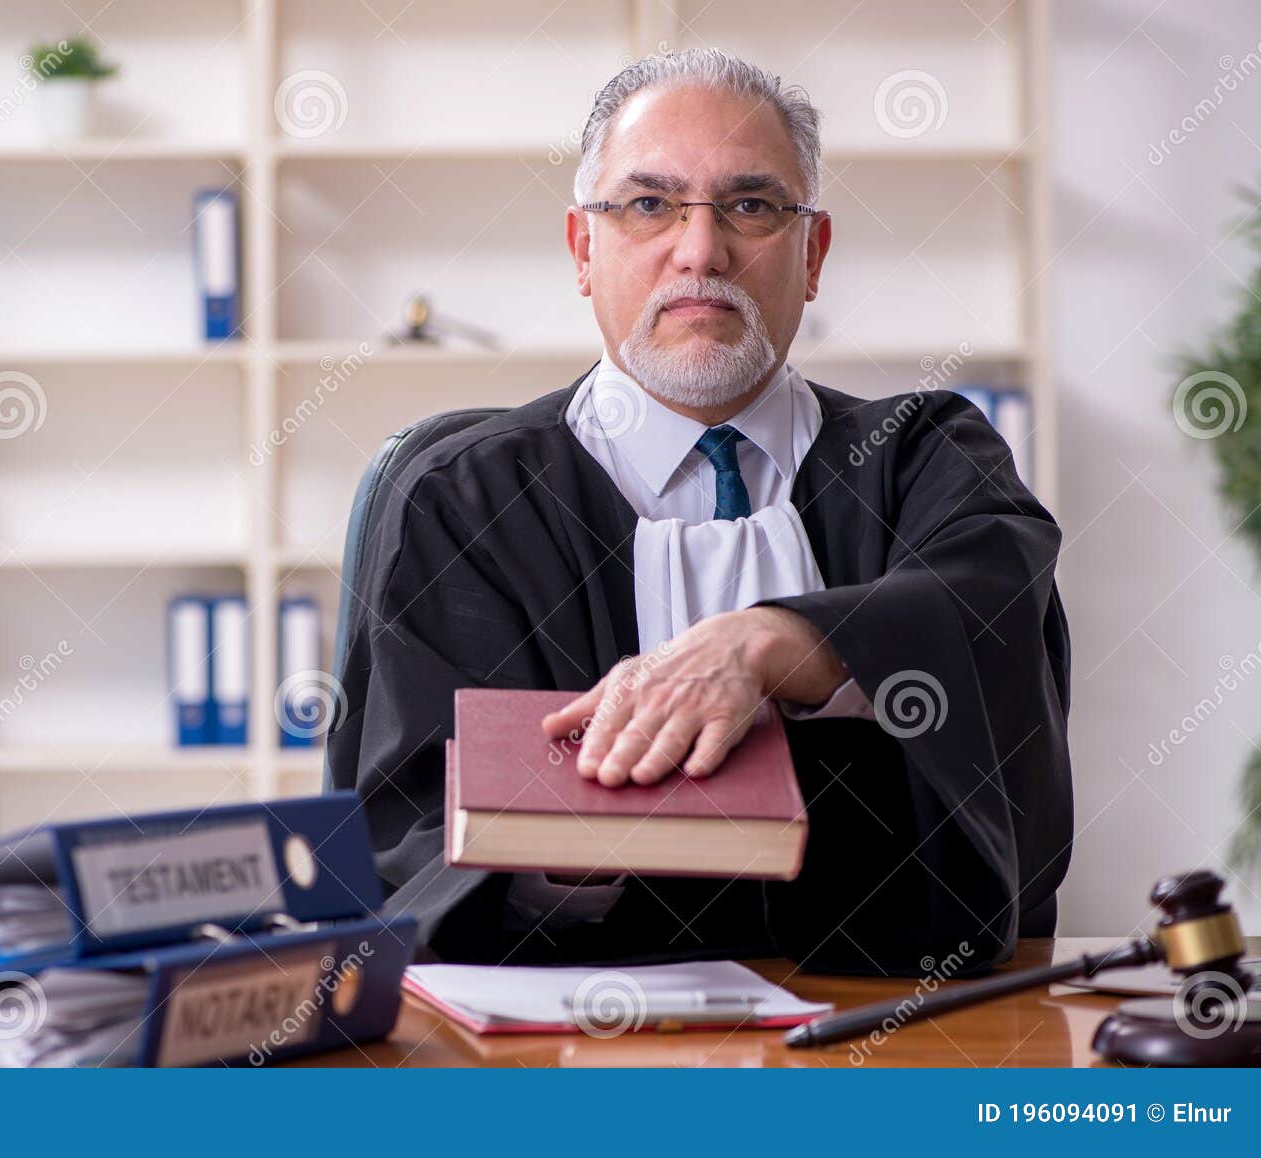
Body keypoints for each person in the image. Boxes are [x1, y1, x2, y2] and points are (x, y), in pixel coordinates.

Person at [326, 48, 1071, 975]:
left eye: (751, 206)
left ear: (814, 254)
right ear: (582, 251)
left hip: (878, 1010)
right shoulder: (459, 502)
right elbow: (405, 843)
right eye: (648, 205)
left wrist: (774, 645)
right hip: (567, 1031)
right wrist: (578, 849)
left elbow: (991, 618)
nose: (700, 251)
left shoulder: (924, 455)